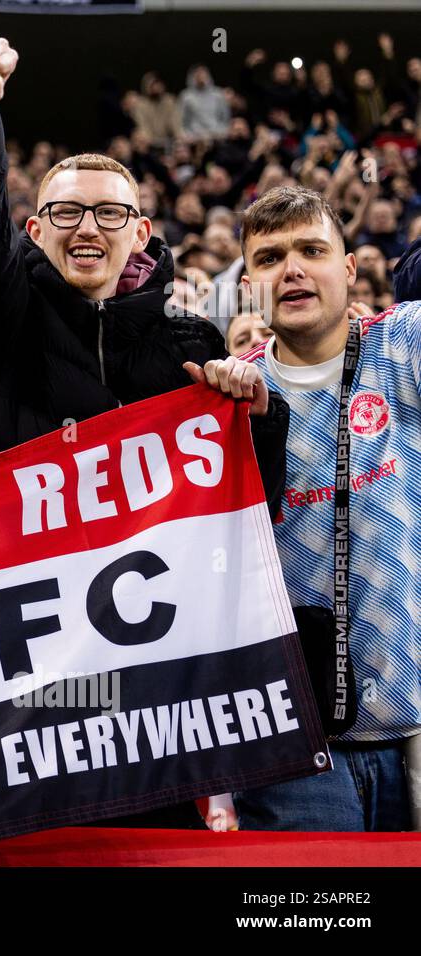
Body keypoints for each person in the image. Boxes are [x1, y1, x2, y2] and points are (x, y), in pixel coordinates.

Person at [0, 27, 288, 516]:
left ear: (140, 233)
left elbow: (247, 508)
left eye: (110, 214)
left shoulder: (193, 347)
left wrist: (256, 416)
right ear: (35, 230)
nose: (88, 229)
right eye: (67, 212)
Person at [195, 186, 421, 831]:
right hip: (287, 743)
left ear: (349, 269)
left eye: (312, 250)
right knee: (316, 907)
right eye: (268, 259)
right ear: (250, 289)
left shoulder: (406, 345)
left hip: (413, 721)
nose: (290, 268)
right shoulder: (221, 396)